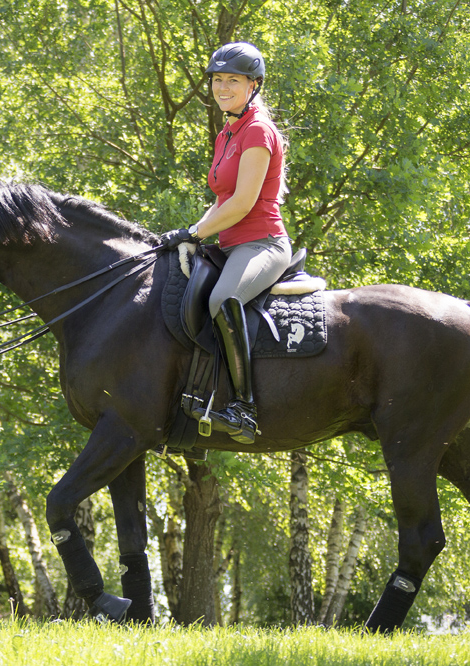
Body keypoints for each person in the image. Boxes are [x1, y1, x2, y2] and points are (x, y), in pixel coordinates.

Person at [161, 42, 291, 445]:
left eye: (232, 80)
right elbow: (221, 200)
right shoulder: (227, 133)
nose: (222, 87)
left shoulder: (257, 131)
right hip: (231, 243)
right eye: (218, 80)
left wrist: (196, 233)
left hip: (263, 244)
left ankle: (245, 409)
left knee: (222, 300)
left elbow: (243, 202)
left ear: (253, 85)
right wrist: (190, 234)